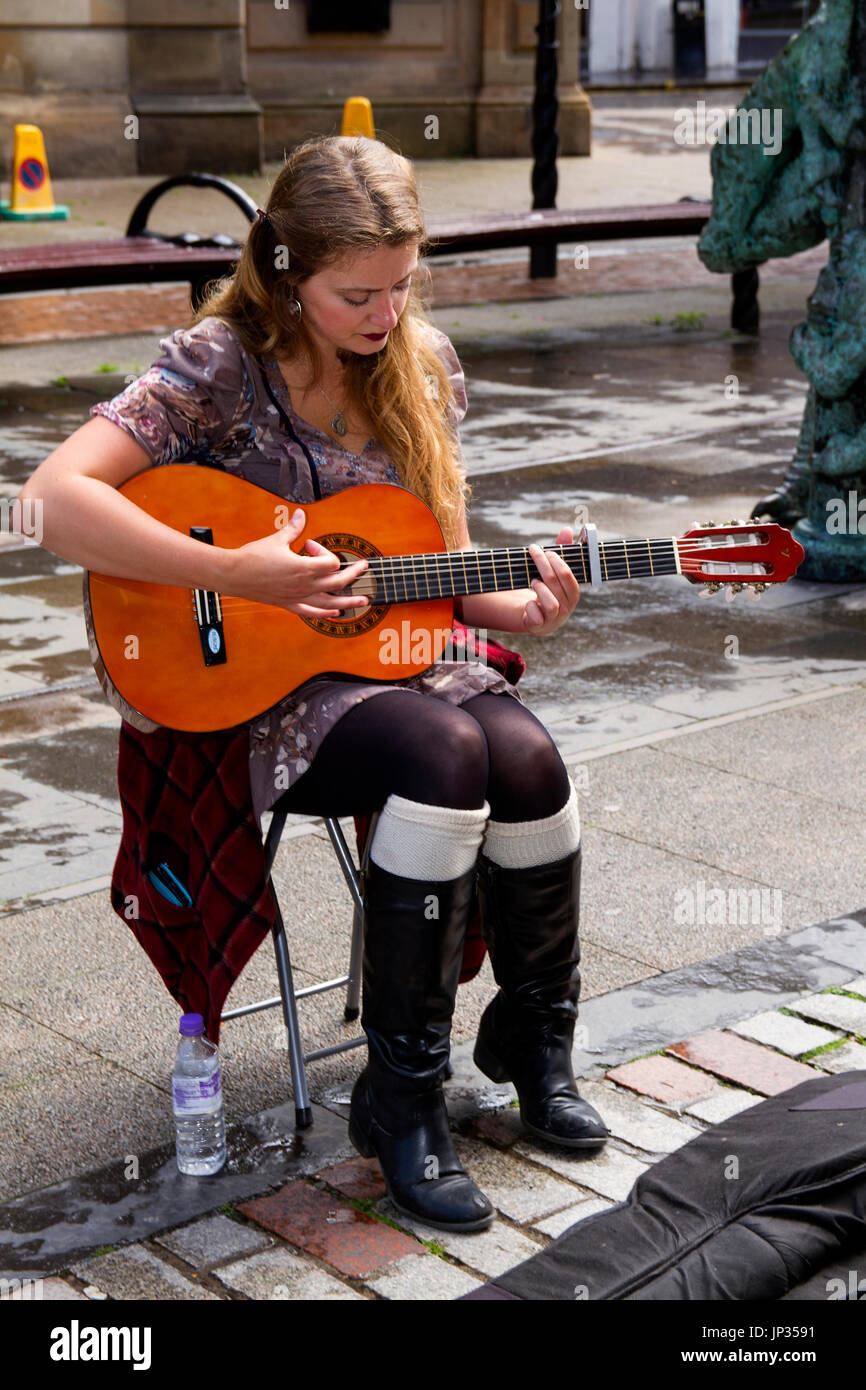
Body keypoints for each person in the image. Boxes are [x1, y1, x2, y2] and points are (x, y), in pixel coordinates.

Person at [18, 135, 608, 1234]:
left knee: (527, 759)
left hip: (380, 657)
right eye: (355, 294)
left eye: (399, 285)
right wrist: (233, 568)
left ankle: (533, 1037)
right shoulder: (219, 362)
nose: (384, 314)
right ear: (287, 269)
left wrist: (512, 605)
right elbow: (47, 502)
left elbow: (439, 559)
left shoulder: (419, 366)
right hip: (246, 683)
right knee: (446, 755)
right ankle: (405, 1104)